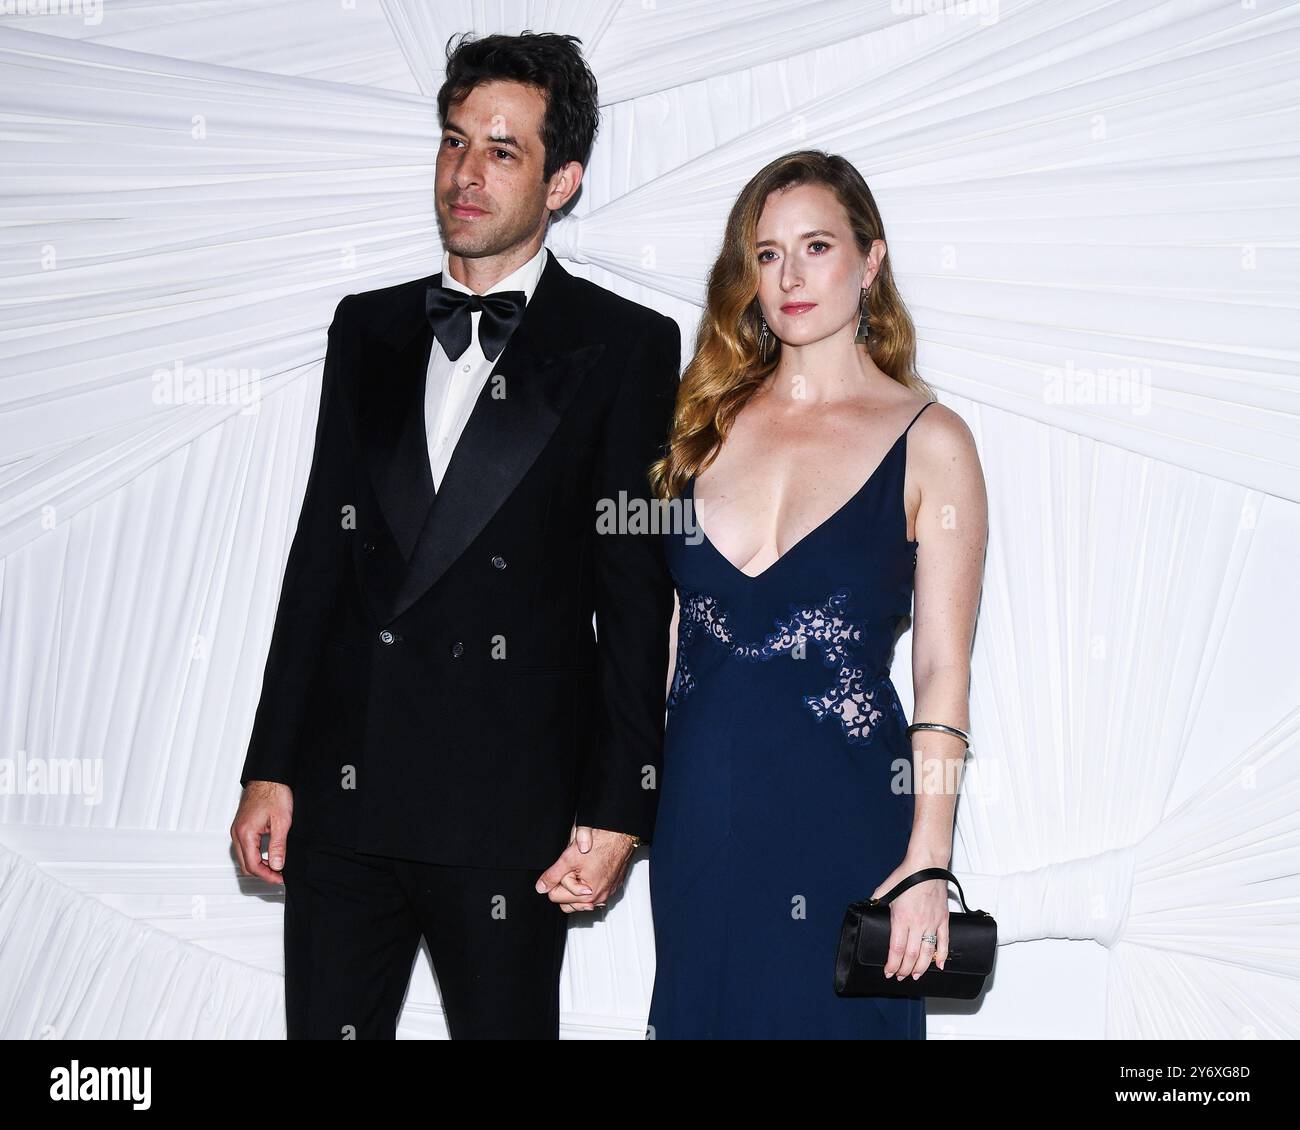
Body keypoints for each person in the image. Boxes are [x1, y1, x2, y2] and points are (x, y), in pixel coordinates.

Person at [230, 31, 681, 1039]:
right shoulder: (368, 327)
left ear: (561, 181)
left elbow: (636, 591)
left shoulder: (627, 346)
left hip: (509, 808)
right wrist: (271, 763)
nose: (466, 174)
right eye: (453, 141)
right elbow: (321, 554)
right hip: (345, 797)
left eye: (503, 150)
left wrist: (618, 806)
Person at [646, 150, 986, 1039]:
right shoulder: (701, 425)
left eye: (817, 246)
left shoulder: (931, 439)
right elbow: (672, 643)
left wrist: (926, 860)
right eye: (766, 254)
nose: (790, 276)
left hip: (845, 820)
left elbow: (944, 670)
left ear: (871, 261)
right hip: (700, 820)